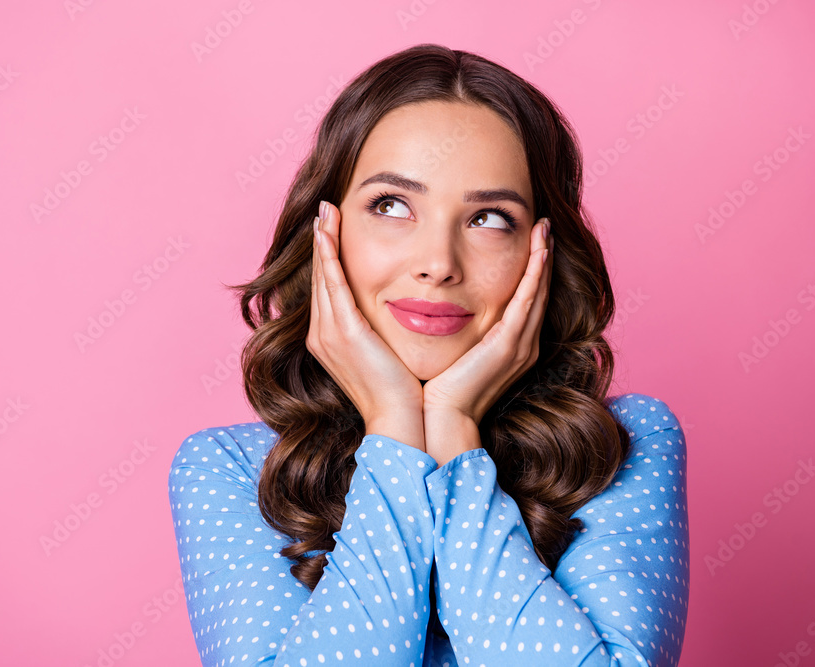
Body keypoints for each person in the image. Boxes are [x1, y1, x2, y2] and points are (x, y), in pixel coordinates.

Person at [168, 43, 688, 666]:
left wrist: (454, 432)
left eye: (490, 218)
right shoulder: (226, 470)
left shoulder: (625, 445)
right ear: (325, 231)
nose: (438, 264)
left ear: (541, 251)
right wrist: (395, 430)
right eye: (391, 206)